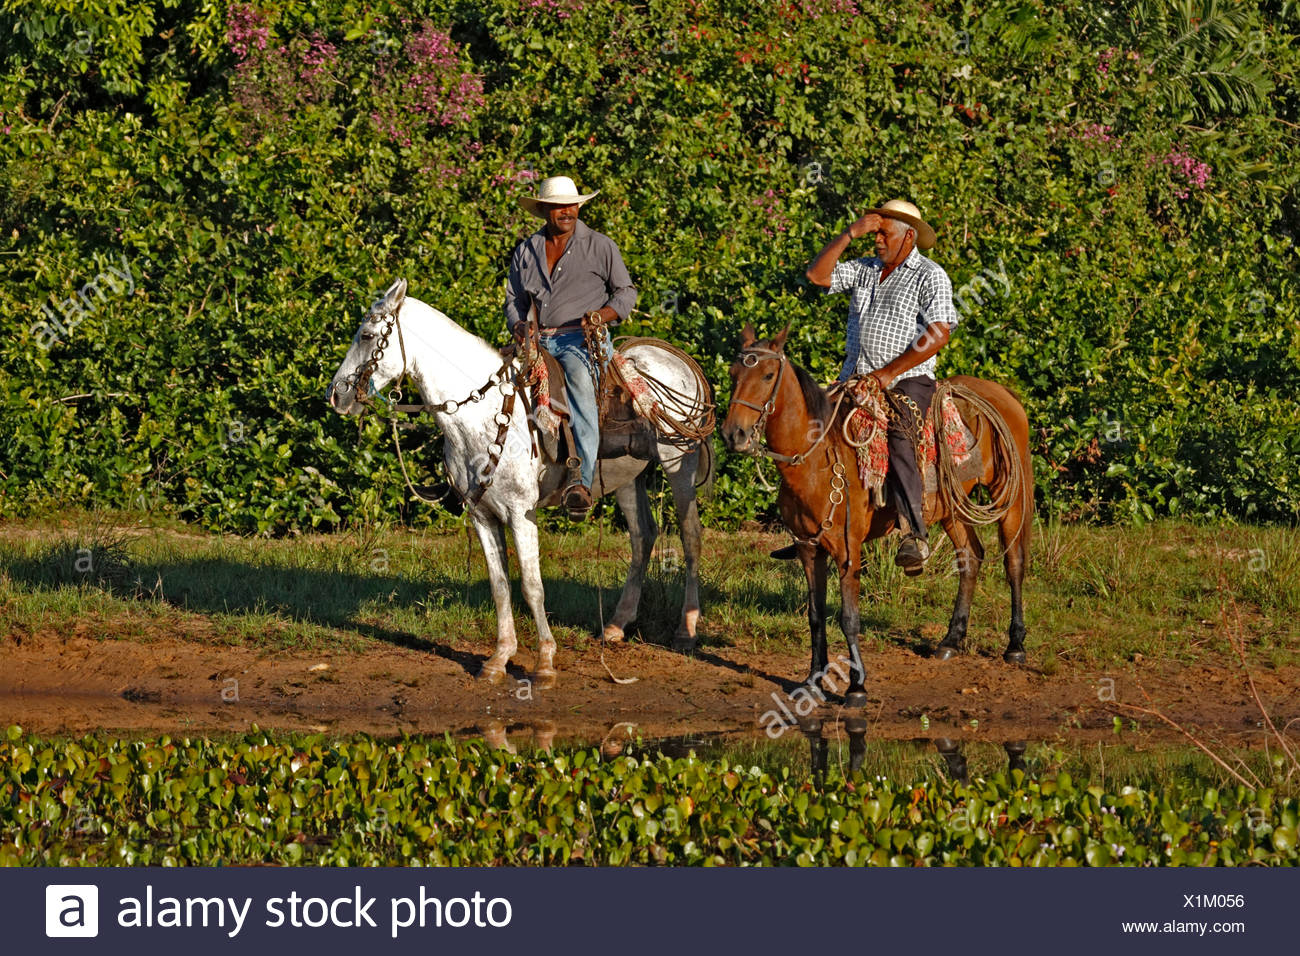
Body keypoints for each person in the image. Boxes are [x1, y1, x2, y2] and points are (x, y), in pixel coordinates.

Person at [779, 199, 958, 571]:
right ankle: (806, 526)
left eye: (883, 232)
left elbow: (939, 331)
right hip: (854, 379)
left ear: (909, 236)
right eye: (874, 232)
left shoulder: (930, 274)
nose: (876, 239)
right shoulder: (865, 269)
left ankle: (914, 533)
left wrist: (890, 373)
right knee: (804, 427)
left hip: (907, 380)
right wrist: (849, 233)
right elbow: (817, 276)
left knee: (900, 434)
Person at [505, 175, 637, 519]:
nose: (566, 211)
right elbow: (514, 299)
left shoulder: (600, 245)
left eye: (571, 204)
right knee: (496, 383)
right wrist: (518, 323)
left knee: (579, 384)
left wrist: (602, 316)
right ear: (545, 210)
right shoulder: (527, 249)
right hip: (536, 339)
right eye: (558, 206)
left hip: (579, 339)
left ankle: (582, 480)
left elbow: (625, 292)